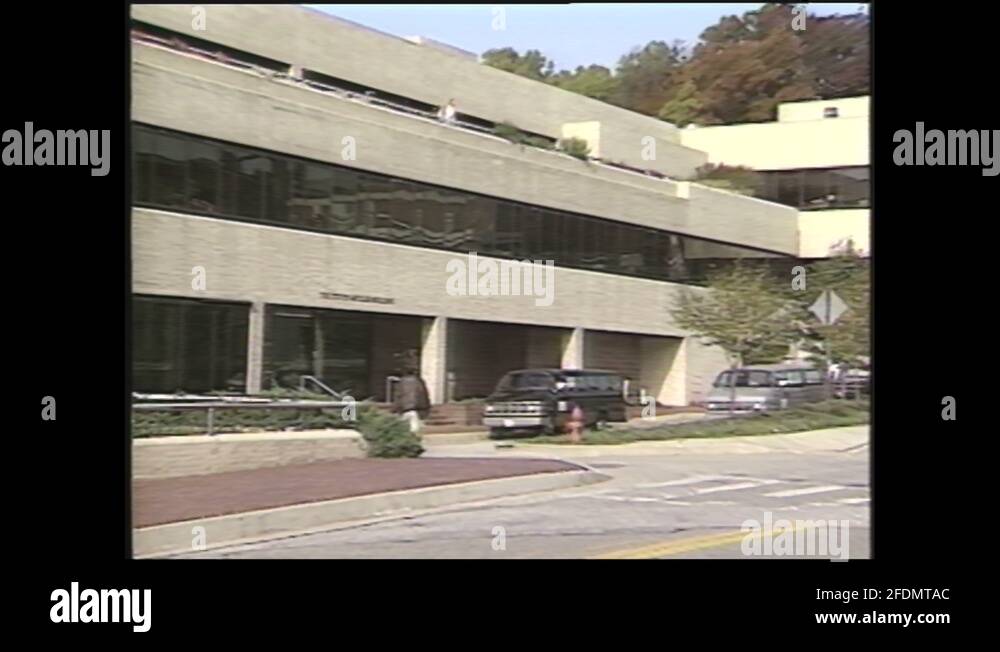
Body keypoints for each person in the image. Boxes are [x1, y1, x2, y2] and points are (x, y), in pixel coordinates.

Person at [392, 351, 431, 435]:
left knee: (403, 431)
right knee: (414, 432)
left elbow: (398, 396)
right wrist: (426, 409)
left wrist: (395, 409)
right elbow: (424, 396)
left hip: (404, 409)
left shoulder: (401, 382)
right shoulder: (419, 382)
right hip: (416, 410)